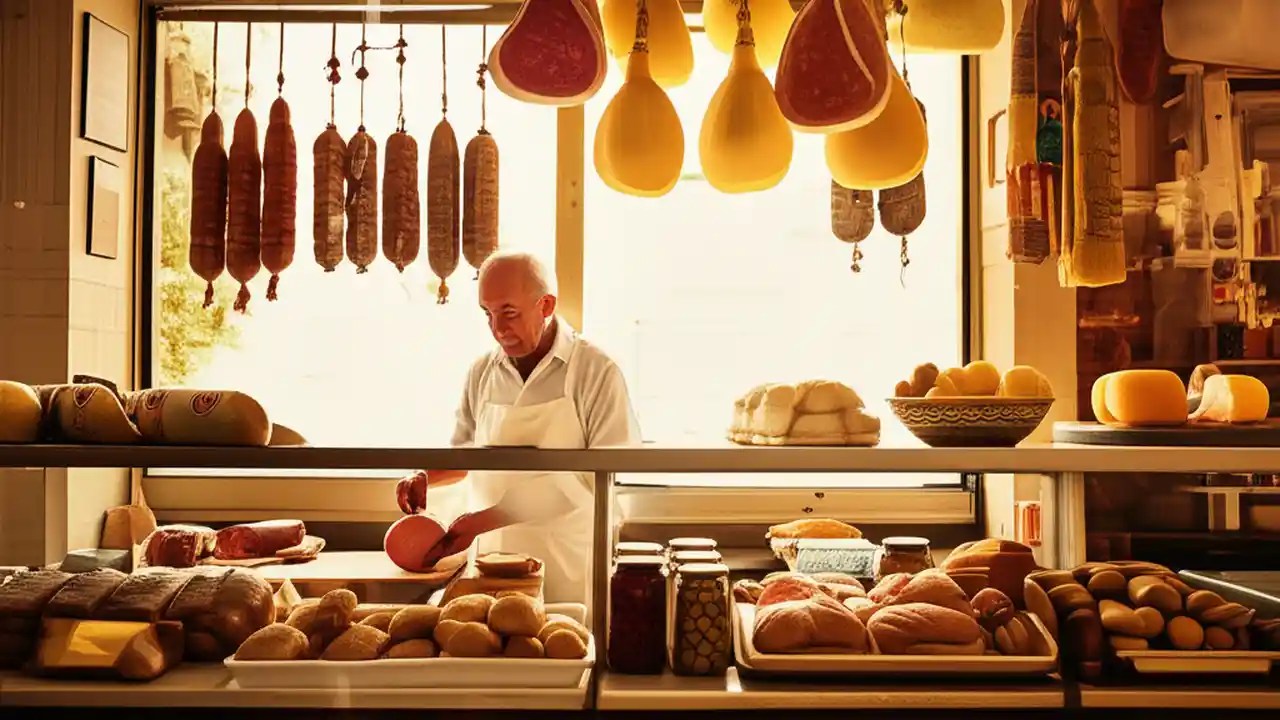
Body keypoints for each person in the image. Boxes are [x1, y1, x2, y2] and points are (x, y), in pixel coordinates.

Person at [396, 250, 641, 604]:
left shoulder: (596, 372)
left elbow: (599, 482)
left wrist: (485, 519)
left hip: (569, 567)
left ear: (546, 305)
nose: (497, 328)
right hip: (489, 563)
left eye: (509, 313)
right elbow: (466, 453)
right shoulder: (481, 372)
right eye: (488, 314)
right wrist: (425, 476)